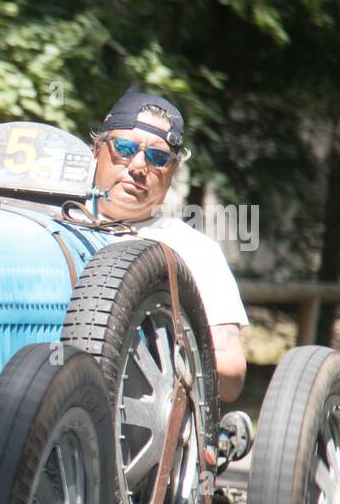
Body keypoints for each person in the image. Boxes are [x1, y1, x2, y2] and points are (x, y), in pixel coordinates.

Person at [90, 90, 248, 402]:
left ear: (172, 171)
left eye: (157, 158)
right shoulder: (51, 224)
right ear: (97, 150)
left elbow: (231, 375)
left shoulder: (195, 251)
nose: (137, 166)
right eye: (124, 148)